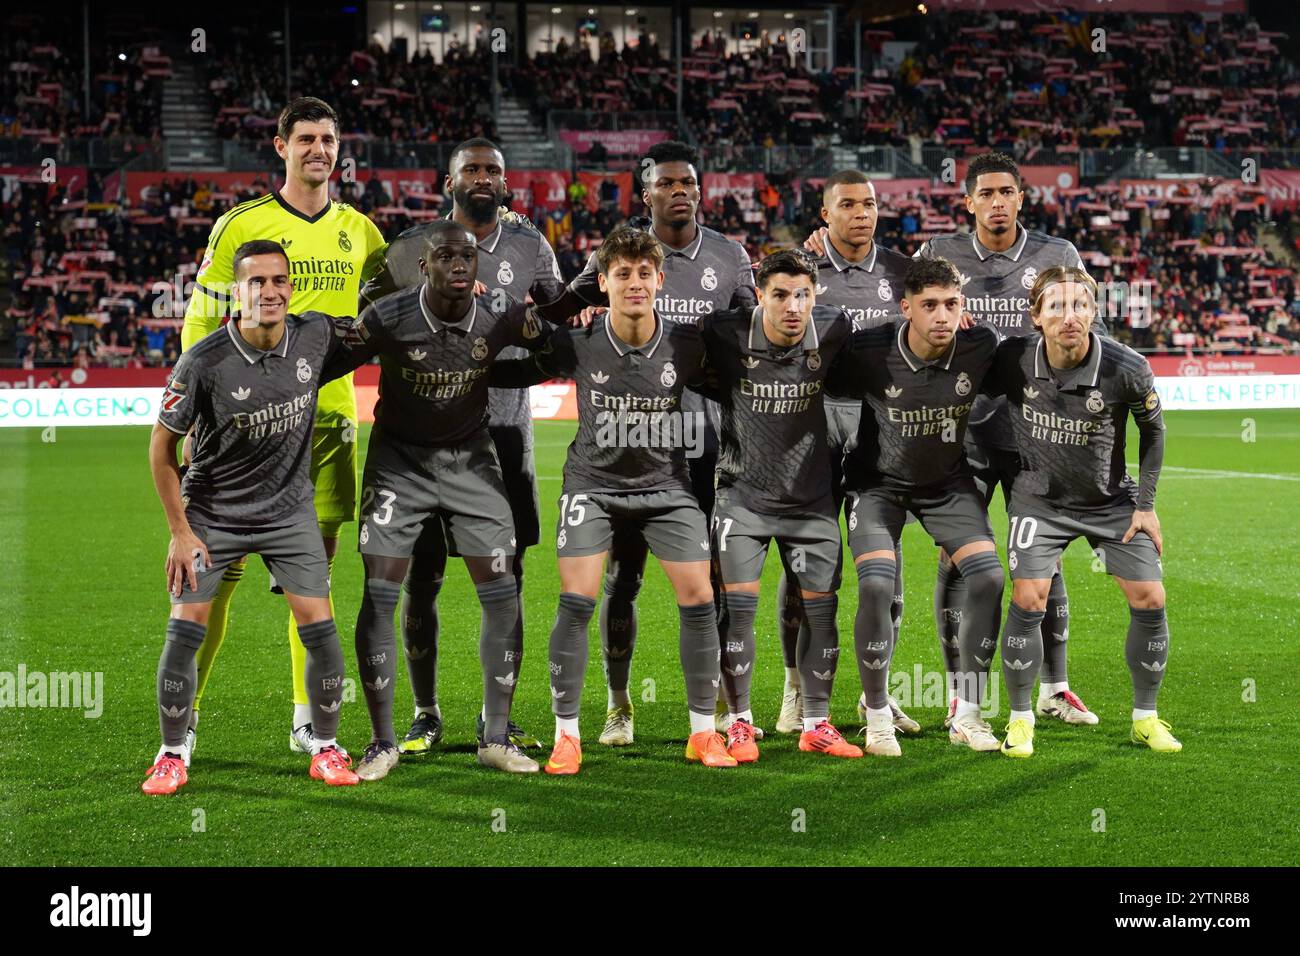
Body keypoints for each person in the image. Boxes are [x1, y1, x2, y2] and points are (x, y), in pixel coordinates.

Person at [179, 97, 387, 758]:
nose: (318, 150)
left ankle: (306, 718)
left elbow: (389, 317)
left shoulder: (363, 232)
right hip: (241, 436)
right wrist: (192, 415)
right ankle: (185, 717)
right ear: (280, 146)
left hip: (326, 429)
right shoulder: (242, 226)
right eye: (305, 139)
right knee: (214, 580)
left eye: (328, 138)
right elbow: (197, 323)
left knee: (315, 583)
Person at [488, 226, 736, 774]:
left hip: (667, 489)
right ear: (603, 282)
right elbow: (512, 361)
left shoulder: (687, 343)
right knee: (577, 601)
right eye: (622, 274)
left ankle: (702, 732)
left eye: (644, 273)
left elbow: (743, 378)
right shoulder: (577, 343)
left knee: (698, 598)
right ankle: (567, 734)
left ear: (659, 281)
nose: (634, 283)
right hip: (592, 488)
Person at [322, 220, 559, 778]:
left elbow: (553, 341)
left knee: (502, 593)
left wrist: (585, 327)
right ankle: (383, 743)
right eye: (446, 257)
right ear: (424, 264)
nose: (459, 265)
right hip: (398, 465)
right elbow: (326, 363)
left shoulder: (498, 311)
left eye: (467, 257)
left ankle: (496, 738)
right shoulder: (388, 316)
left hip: (473, 463)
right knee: (381, 595)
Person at [539, 140, 756, 746]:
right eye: (666, 182)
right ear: (647, 192)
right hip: (619, 452)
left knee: (710, 578)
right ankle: (617, 703)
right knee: (622, 581)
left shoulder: (730, 256)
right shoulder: (618, 252)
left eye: (688, 181)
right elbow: (562, 309)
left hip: (702, 449)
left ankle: (719, 708)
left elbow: (747, 343)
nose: (679, 190)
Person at [360, 138, 568, 755]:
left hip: (504, 436)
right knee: (420, 575)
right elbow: (373, 321)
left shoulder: (533, 245)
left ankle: (493, 720)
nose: (483, 178)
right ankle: (425, 714)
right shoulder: (409, 248)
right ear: (446, 180)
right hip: (420, 439)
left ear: (507, 182)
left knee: (507, 573)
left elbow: (553, 329)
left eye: (494, 170)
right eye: (471, 169)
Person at [143, 240, 358, 795]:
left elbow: (383, 325)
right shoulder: (204, 361)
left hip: (289, 512)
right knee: (186, 627)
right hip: (215, 513)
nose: (269, 291)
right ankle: (172, 750)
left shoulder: (314, 336)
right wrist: (180, 531)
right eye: (256, 282)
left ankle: (326, 744)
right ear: (235, 292)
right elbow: (160, 449)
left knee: (321, 629)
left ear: (291, 286)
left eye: (279, 281)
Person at [916, 152, 1098, 728]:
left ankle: (1055, 687)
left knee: (1042, 558)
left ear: (1023, 197)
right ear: (966, 201)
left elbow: (1083, 332)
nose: (998, 202)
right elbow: (899, 313)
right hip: (959, 433)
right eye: (986, 193)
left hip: (1033, 436)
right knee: (956, 555)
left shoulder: (1058, 256)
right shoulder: (937, 256)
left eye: (1007, 192)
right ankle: (958, 690)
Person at [986, 267, 1179, 757]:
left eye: (1079, 306)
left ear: (1094, 312)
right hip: (1039, 500)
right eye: (1056, 306)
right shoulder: (1011, 358)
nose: (1069, 316)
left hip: (1109, 501)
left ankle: (1145, 718)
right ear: (1036, 315)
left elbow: (1154, 432)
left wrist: (1146, 505)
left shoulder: (1126, 366)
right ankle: (1020, 718)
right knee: (1029, 599)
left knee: (1151, 598)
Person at [827, 257, 1005, 754]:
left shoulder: (980, 345)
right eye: (930, 306)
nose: (943, 316)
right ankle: (877, 710)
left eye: (952, 304)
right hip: (875, 486)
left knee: (989, 577)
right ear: (906, 308)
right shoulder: (867, 348)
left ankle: (968, 713)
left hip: (947, 486)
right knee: (878, 585)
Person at [701, 248, 863, 761]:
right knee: (738, 611)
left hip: (812, 498)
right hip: (742, 495)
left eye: (804, 295)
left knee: (822, 610)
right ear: (759, 295)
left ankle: (817, 722)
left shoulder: (836, 330)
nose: (793, 306)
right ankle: (741, 722)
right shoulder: (723, 332)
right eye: (780, 295)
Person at [785, 169, 917, 739]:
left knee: (885, 573)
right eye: (847, 205)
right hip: (812, 428)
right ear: (825, 213)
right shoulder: (800, 269)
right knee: (806, 572)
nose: (861, 213)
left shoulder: (902, 272)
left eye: (868, 204)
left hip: (883, 432)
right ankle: (795, 692)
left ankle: (874, 699)